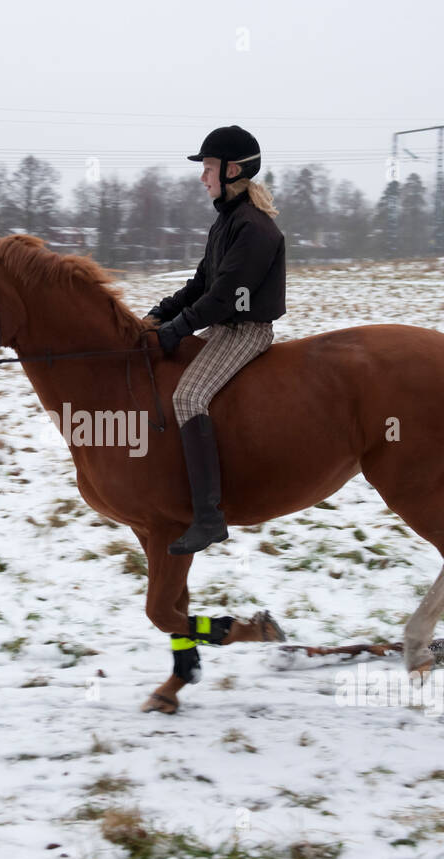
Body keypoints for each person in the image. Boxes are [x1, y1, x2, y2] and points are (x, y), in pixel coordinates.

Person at [149, 125, 286, 554]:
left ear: (232, 171)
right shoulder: (226, 222)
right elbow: (200, 285)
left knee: (189, 398)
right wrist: (158, 315)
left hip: (245, 331)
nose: (202, 177)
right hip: (222, 324)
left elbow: (225, 298)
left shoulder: (255, 229)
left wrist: (177, 330)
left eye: (207, 168)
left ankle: (209, 518)